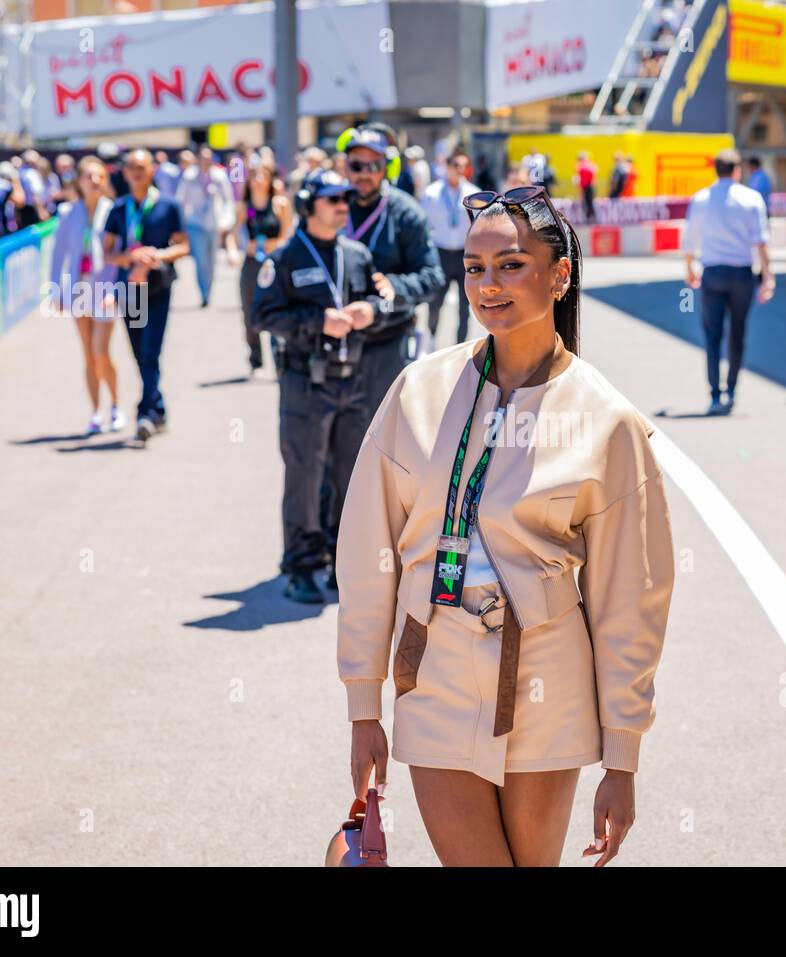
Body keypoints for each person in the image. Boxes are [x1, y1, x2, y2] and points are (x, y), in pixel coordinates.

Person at [337, 184, 676, 867]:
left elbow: (628, 600)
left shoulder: (608, 421)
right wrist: (363, 704)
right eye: (473, 267)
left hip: (546, 683)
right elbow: (368, 553)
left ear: (560, 273)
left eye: (511, 265)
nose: (487, 285)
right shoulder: (419, 390)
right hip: (433, 673)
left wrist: (623, 756)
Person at [251, 170, 387, 603]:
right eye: (332, 198)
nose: (343, 204)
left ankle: (337, 558)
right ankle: (301, 565)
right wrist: (316, 324)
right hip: (305, 385)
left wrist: (372, 309)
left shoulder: (358, 254)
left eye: (346, 197)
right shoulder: (286, 257)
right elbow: (263, 316)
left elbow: (381, 299)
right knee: (305, 478)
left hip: (353, 383)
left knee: (349, 479)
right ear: (309, 205)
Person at [317, 125, 444, 584]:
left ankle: (377, 555)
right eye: (356, 165)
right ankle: (331, 551)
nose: (364, 174)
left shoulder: (404, 213)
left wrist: (393, 291)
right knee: (329, 453)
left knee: (380, 455)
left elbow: (432, 276)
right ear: (343, 166)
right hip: (329, 348)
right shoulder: (329, 206)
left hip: (385, 347)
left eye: (374, 165)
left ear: (386, 167)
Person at [103, 149, 189, 445]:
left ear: (152, 169)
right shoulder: (118, 209)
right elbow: (108, 253)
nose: (136, 172)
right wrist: (131, 257)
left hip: (158, 286)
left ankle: (145, 413)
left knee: (152, 350)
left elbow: (183, 245)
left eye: (141, 167)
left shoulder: (168, 206)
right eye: (131, 168)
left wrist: (158, 255)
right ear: (124, 173)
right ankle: (159, 408)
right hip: (129, 288)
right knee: (140, 352)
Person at [682, 148, 775, 415]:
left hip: (712, 273)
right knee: (738, 333)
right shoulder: (752, 199)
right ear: (737, 171)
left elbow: (689, 241)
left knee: (712, 336)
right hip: (742, 274)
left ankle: (714, 393)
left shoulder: (701, 199)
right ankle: (732, 390)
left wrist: (690, 269)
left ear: (715, 170)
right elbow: (761, 243)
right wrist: (768, 278)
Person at [48, 156, 125, 436]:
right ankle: (96, 412)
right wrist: (55, 288)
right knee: (88, 356)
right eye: (88, 176)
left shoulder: (113, 211)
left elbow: (119, 251)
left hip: (104, 289)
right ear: (79, 182)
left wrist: (115, 290)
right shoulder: (69, 213)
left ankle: (117, 405)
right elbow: (58, 254)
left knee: (101, 351)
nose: (94, 181)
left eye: (99, 176)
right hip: (79, 288)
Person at [230, 160, 293, 376]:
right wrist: (236, 250)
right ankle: (255, 359)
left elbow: (287, 234)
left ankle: (279, 359)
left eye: (262, 176)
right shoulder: (244, 207)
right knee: (250, 312)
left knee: (278, 309)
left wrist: (272, 245)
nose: (257, 181)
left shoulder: (280, 204)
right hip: (251, 262)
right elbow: (233, 233)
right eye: (254, 176)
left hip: (274, 262)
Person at [421, 149, 478, 346]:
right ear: (447, 167)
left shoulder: (472, 193)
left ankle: (461, 345)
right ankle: (431, 337)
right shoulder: (432, 193)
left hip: (465, 255)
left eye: (464, 166)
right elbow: (424, 226)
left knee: (465, 305)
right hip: (441, 253)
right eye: (456, 165)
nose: (460, 170)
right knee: (435, 302)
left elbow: (478, 226)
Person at [174, 146, 235, 308]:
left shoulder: (219, 176)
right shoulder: (189, 176)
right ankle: (204, 294)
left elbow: (228, 201)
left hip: (214, 224)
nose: (206, 161)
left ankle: (209, 289)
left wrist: (225, 222)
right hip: (196, 225)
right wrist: (182, 224)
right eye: (203, 158)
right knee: (201, 261)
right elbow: (181, 200)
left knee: (212, 261)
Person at [575, 151, 598, 222]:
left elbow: (580, 179)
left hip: (585, 187)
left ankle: (588, 217)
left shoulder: (580, 165)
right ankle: (593, 217)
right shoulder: (591, 164)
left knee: (586, 203)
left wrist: (581, 189)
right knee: (591, 203)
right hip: (591, 186)